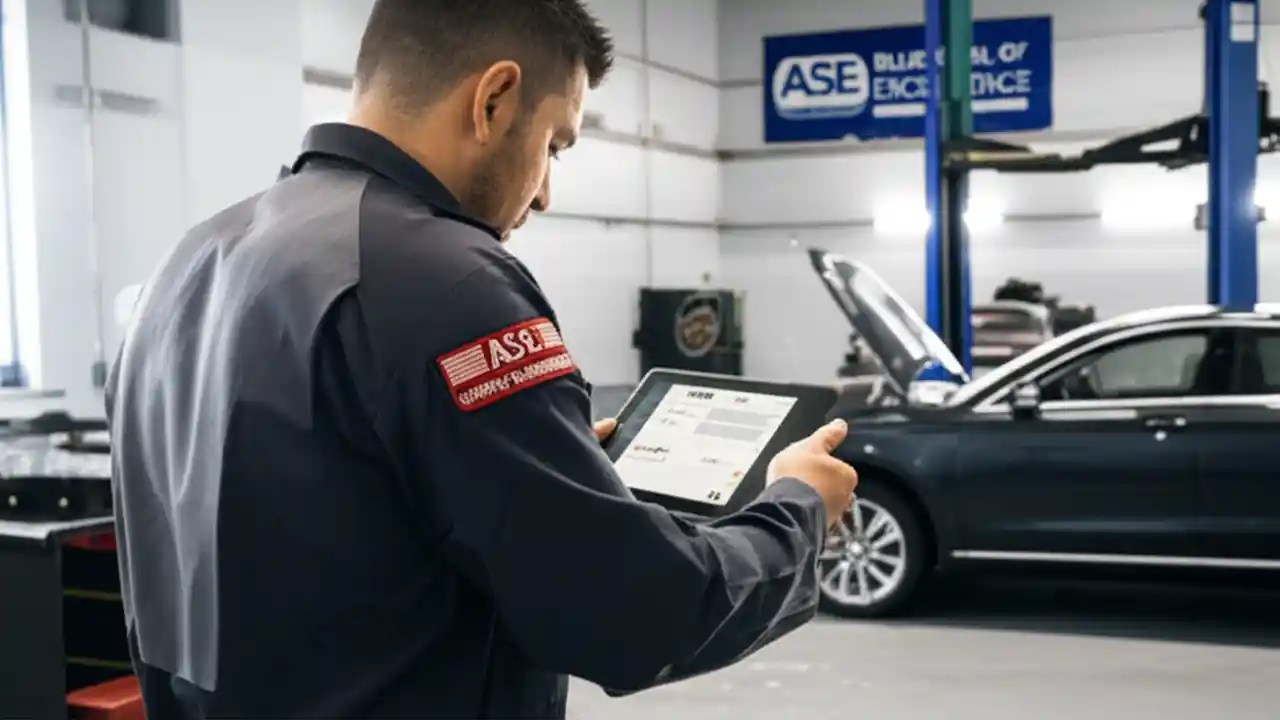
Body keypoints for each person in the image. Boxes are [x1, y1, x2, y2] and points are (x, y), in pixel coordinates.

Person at [105, 0, 859, 717]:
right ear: (494, 99)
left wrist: (542, 462)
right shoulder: (449, 280)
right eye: (555, 144)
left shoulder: (196, 257)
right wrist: (795, 511)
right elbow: (633, 614)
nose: (546, 194)